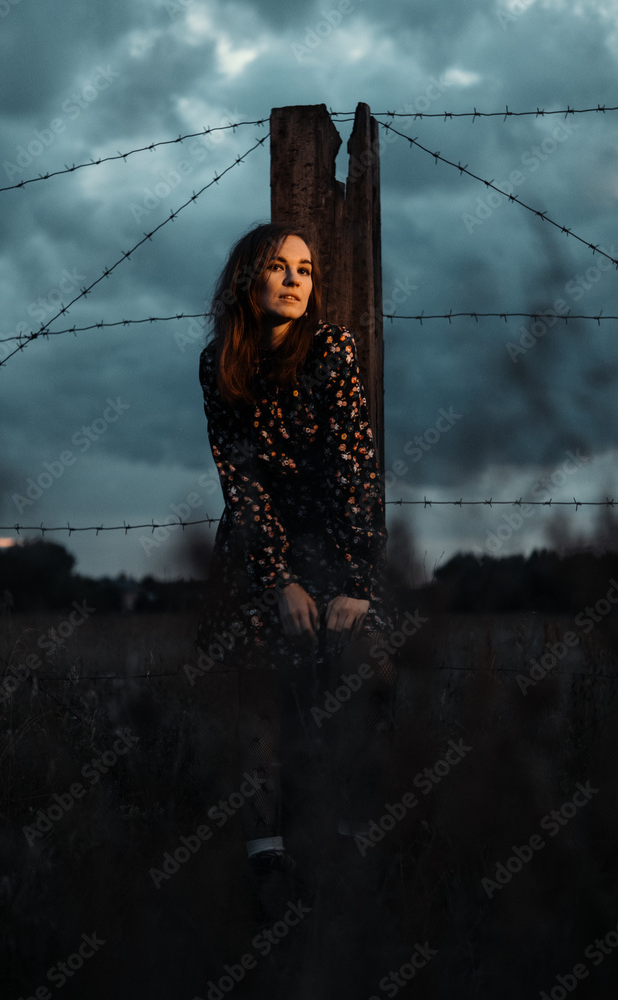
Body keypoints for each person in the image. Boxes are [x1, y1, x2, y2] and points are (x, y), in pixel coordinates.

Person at [193, 221, 396, 919]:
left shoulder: (331, 350)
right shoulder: (219, 362)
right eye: (277, 268)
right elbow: (240, 482)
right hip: (257, 550)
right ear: (246, 279)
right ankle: (266, 862)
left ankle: (347, 840)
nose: (293, 280)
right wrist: (278, 579)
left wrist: (354, 584)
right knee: (252, 676)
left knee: (361, 666)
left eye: (304, 271)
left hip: (335, 548)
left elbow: (354, 471)